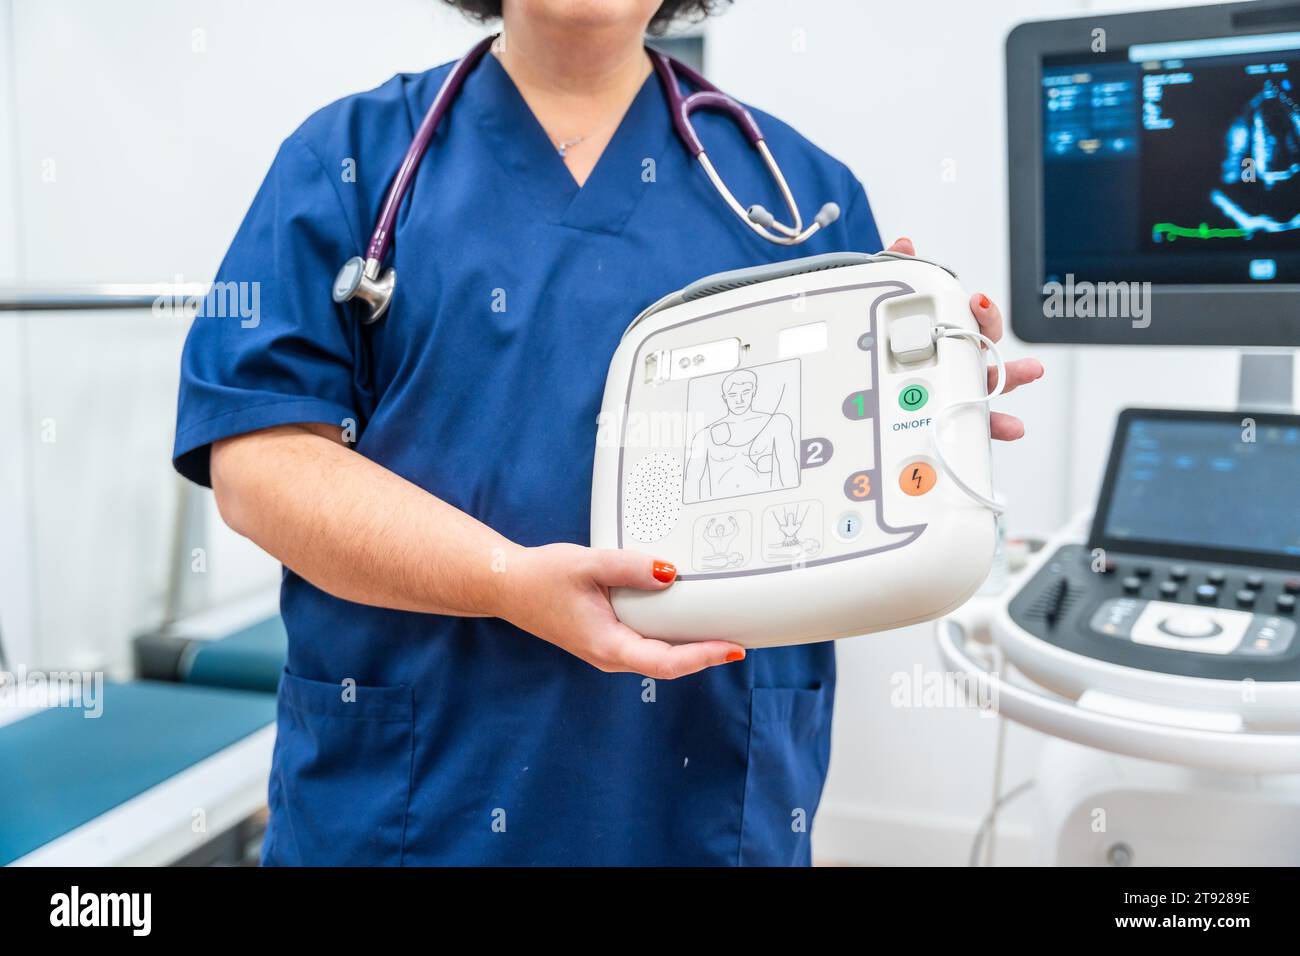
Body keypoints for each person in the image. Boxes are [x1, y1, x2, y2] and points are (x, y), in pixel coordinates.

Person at [172, 0, 1044, 865]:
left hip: (694, 799)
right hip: (417, 806)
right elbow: (261, 461)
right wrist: (506, 582)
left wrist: (927, 432)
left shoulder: (800, 198)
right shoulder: (349, 165)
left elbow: (858, 486)